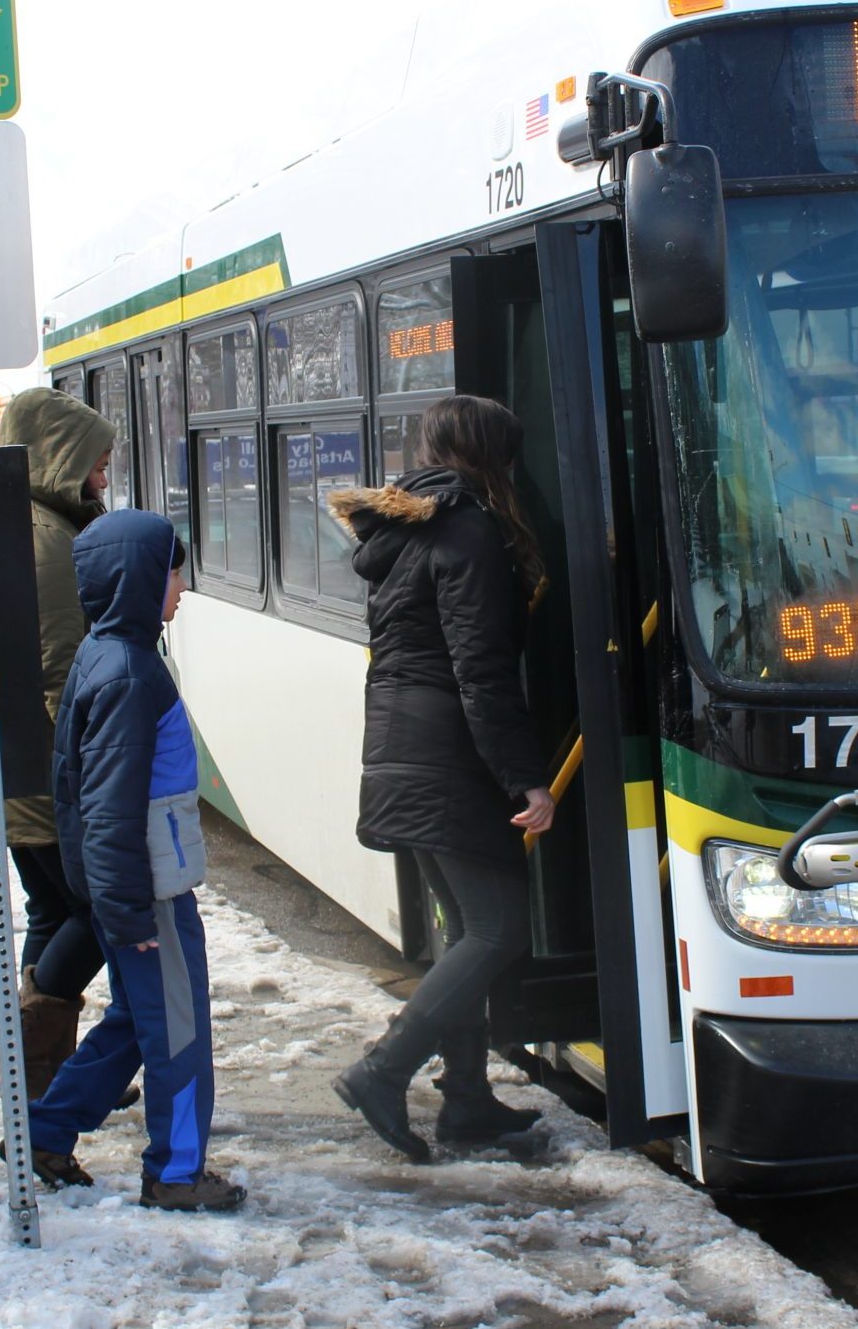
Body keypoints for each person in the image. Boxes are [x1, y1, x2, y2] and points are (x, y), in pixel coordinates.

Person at [328, 394, 553, 1163]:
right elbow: (480, 669)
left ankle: (466, 1102)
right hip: (445, 750)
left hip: (402, 738)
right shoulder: (467, 529)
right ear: (491, 455)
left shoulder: (410, 527)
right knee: (498, 928)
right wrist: (527, 778)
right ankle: (383, 1071)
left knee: (467, 927)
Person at [20, 511, 244, 1213]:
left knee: (136, 1022)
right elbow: (111, 804)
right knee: (178, 1032)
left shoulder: (105, 653)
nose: (181, 587)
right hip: (150, 888)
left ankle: (47, 1132)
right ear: (140, 579)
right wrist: (126, 907)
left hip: (131, 885)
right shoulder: (130, 673)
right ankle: (176, 1174)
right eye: (173, 571)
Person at [0, 386, 122, 1098]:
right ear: (57, 459)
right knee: (100, 913)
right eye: (95, 462)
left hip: (12, 769)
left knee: (55, 913)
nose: (104, 476)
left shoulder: (17, 525)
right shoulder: (49, 544)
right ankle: (24, 1057)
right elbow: (62, 675)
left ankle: (46, 1069)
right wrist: (91, 784)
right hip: (43, 775)